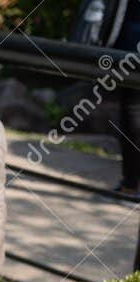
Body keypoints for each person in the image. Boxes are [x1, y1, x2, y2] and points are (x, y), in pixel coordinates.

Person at [72, 0, 140, 193]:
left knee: (132, 114)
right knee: (131, 113)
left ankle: (131, 182)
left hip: (127, 48)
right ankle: (130, 181)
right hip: (128, 48)